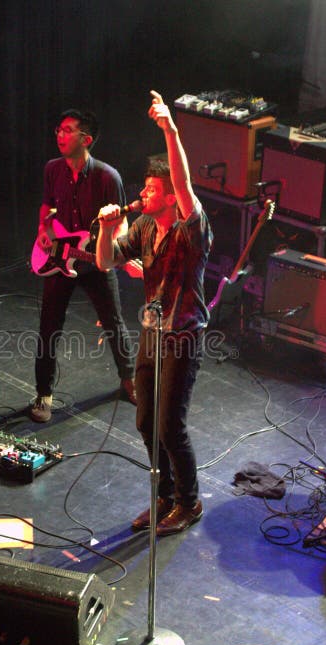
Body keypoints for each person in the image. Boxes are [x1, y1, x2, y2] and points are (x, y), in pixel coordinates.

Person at [95, 91, 213, 536]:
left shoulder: (191, 228)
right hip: (151, 332)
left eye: (151, 188)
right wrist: (108, 230)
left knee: (170, 425)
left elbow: (184, 184)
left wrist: (170, 129)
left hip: (183, 334)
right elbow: (106, 261)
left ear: (170, 197)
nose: (143, 192)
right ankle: (163, 498)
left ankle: (189, 501)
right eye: (143, 186)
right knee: (145, 422)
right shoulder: (143, 225)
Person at [31, 109, 136, 423]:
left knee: (113, 322)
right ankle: (43, 394)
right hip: (59, 259)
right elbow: (47, 208)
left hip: (93, 260)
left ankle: (129, 381)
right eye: (58, 130)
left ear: (86, 139)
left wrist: (113, 253)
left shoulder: (107, 176)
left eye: (67, 130)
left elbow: (121, 225)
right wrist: (44, 231)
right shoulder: (52, 169)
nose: (60, 135)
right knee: (49, 326)